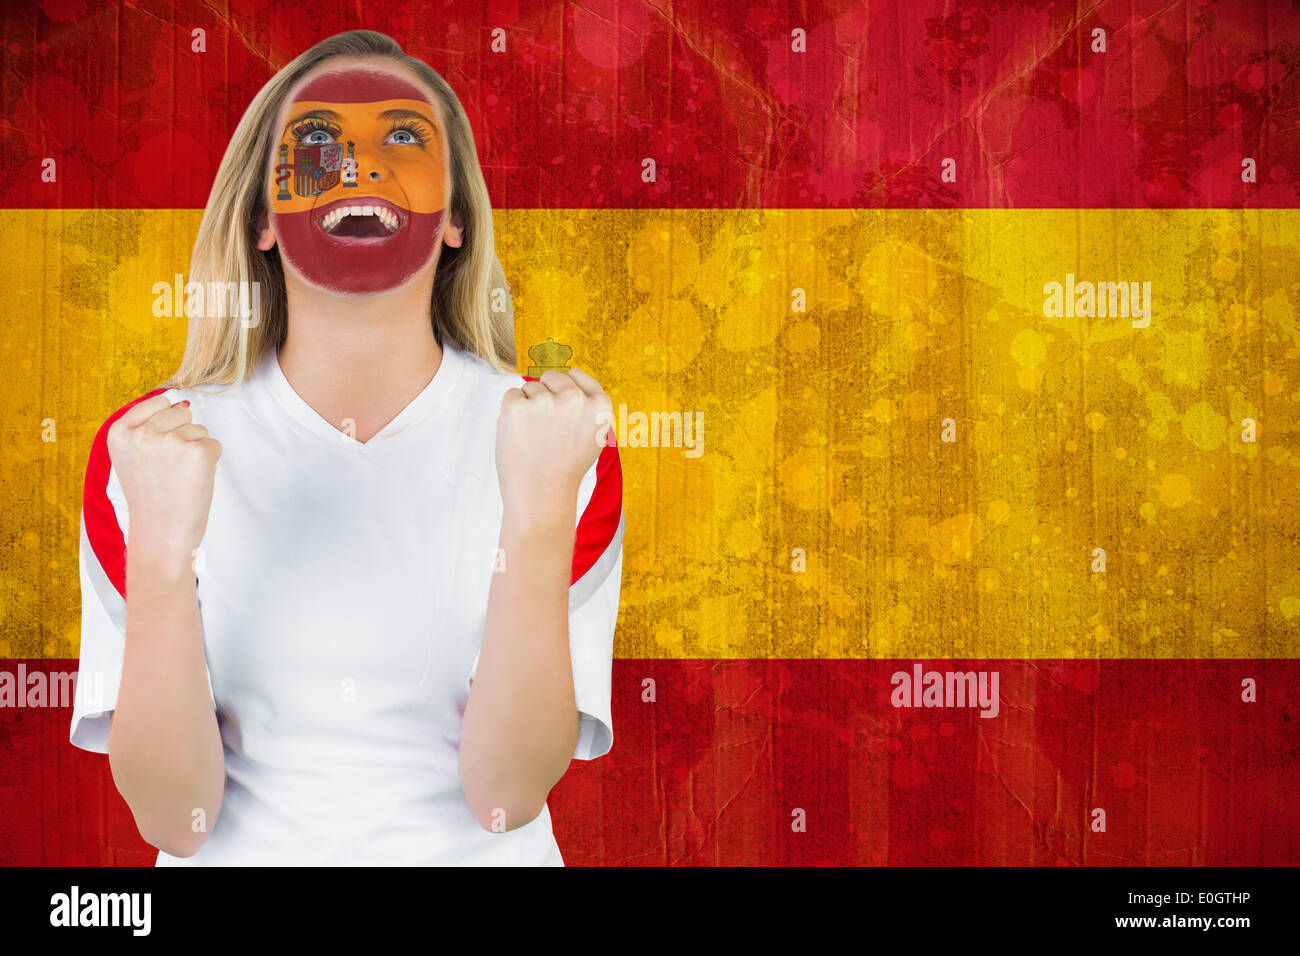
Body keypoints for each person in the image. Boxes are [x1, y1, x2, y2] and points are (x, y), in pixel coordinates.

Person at [69, 30, 624, 866]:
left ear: (457, 219)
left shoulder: (561, 438)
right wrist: (161, 559)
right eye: (319, 141)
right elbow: (173, 819)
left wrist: (539, 516)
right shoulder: (146, 448)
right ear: (261, 219)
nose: (361, 168)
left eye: (403, 137)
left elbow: (506, 797)